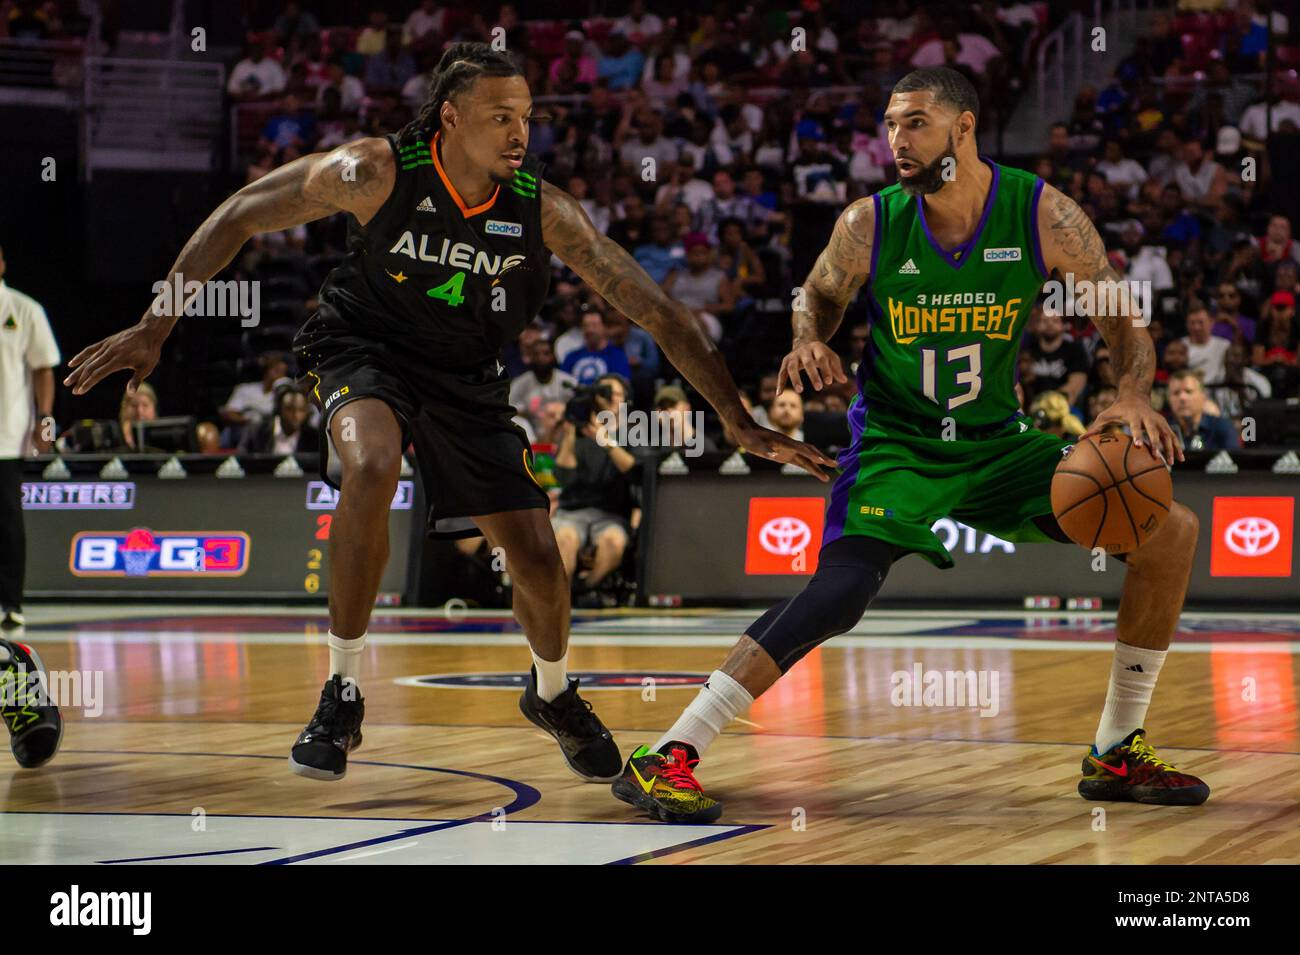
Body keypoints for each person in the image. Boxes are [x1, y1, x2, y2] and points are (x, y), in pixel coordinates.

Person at [63, 43, 831, 786]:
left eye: (527, 115)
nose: (521, 132)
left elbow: (656, 310)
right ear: (451, 118)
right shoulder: (373, 171)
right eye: (501, 116)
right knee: (371, 462)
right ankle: (343, 691)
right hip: (361, 348)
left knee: (536, 555)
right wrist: (155, 325)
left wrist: (733, 416)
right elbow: (238, 213)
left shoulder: (544, 212)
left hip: (466, 378)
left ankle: (553, 691)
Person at [612, 67, 1207, 823]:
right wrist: (806, 340)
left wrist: (1129, 393)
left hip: (997, 444)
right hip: (897, 440)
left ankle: (1118, 748)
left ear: (964, 128)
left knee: (1172, 534)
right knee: (841, 592)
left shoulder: (1042, 214)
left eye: (916, 122)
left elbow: (1123, 321)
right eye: (891, 123)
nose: (896, 139)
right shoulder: (870, 223)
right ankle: (668, 751)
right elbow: (819, 293)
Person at [0, 243, 63, 764]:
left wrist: (45, 420)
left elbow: (45, 367)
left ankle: (10, 669)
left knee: (8, 523)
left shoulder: (22, 309)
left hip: (4, 439)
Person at [552, 375, 637, 602]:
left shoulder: (634, 432)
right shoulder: (578, 432)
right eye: (604, 393)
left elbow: (634, 472)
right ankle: (562, 598)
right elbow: (563, 476)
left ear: (625, 400)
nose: (609, 399)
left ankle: (586, 589)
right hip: (573, 511)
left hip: (612, 513)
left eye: (614, 393)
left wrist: (605, 438)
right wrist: (570, 434)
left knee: (613, 541)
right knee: (565, 539)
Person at [1165, 370, 1240, 452]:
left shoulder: (1223, 427)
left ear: (1203, 396)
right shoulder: (1163, 431)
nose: (1182, 397)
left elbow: (1234, 462)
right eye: (1176, 393)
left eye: (1188, 391)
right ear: (1169, 399)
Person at [240, 385, 320, 454]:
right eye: (289, 409)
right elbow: (242, 461)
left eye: (301, 410)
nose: (296, 415)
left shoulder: (314, 437)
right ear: (278, 410)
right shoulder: (255, 431)